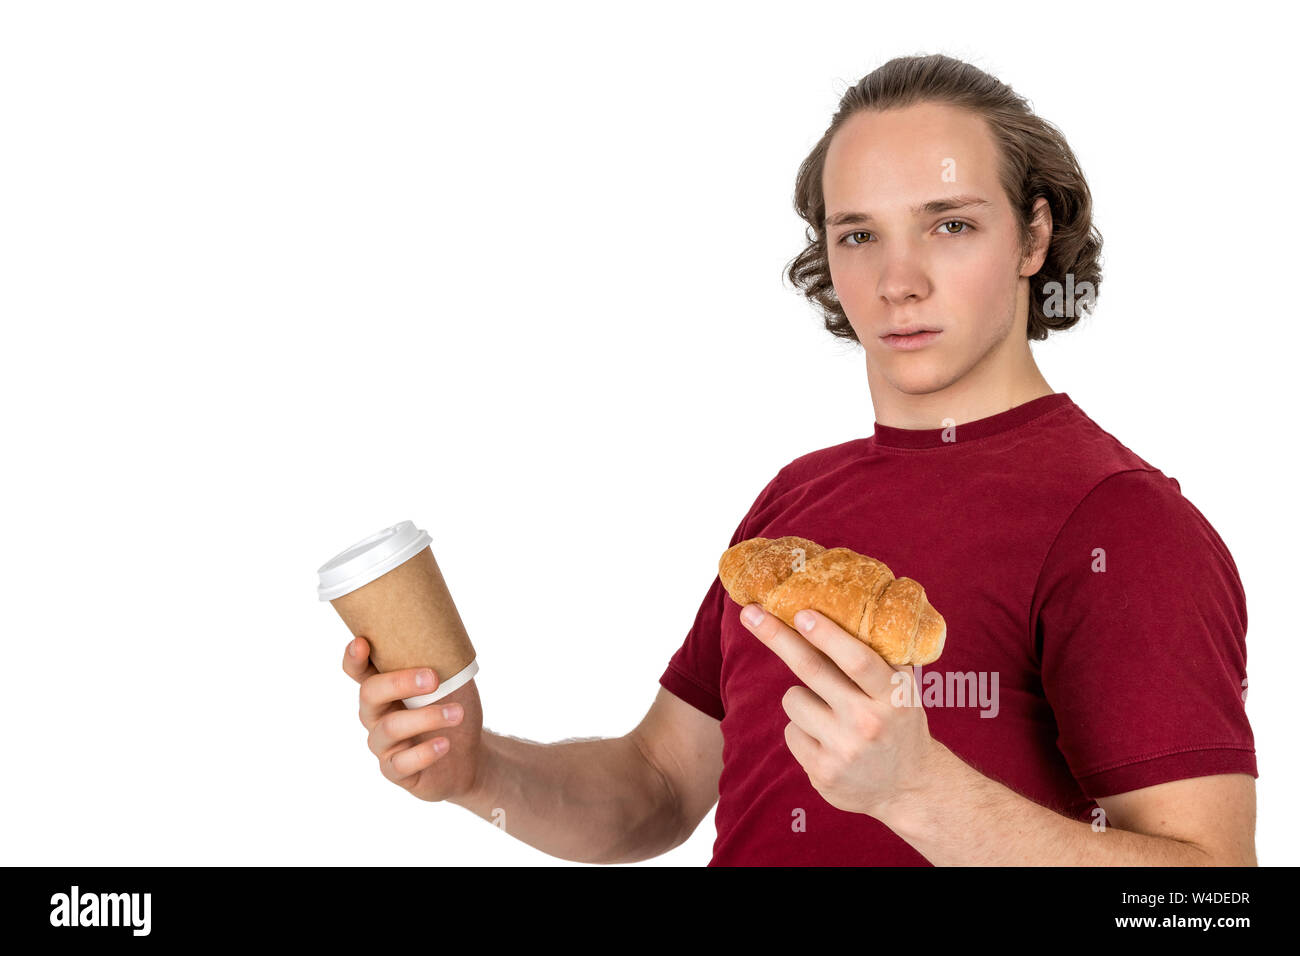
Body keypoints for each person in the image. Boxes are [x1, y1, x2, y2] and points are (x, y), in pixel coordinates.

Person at [342, 53, 1257, 866]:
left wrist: (917, 791)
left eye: (950, 225)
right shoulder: (797, 501)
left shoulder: (1121, 522)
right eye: (859, 234)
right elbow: (658, 789)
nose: (898, 280)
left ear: (1034, 237)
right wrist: (478, 770)